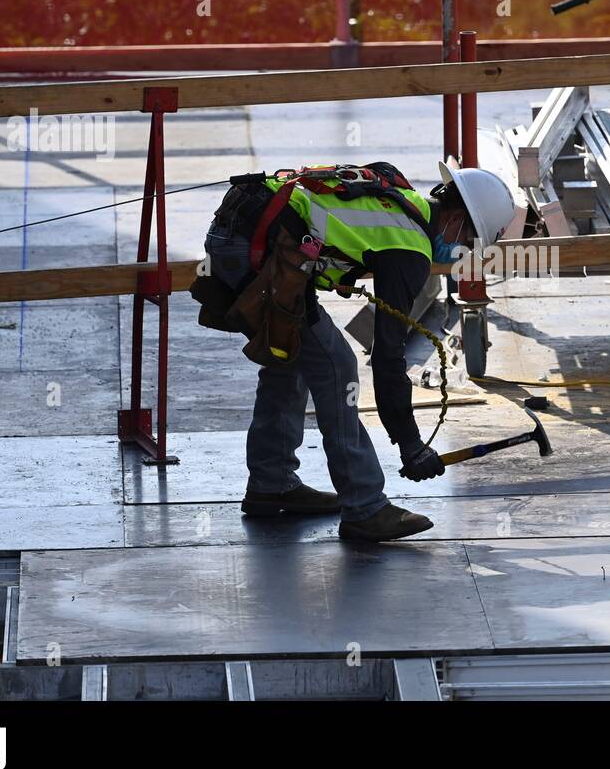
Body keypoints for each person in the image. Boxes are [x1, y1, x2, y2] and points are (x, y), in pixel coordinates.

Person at [194, 160, 515, 542]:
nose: (460, 251)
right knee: (337, 367)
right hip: (255, 245)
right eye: (467, 242)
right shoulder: (408, 250)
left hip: (243, 230)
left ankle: (271, 482)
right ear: (457, 218)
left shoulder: (403, 200)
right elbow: (387, 355)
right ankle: (365, 507)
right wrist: (410, 444)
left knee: (289, 356)